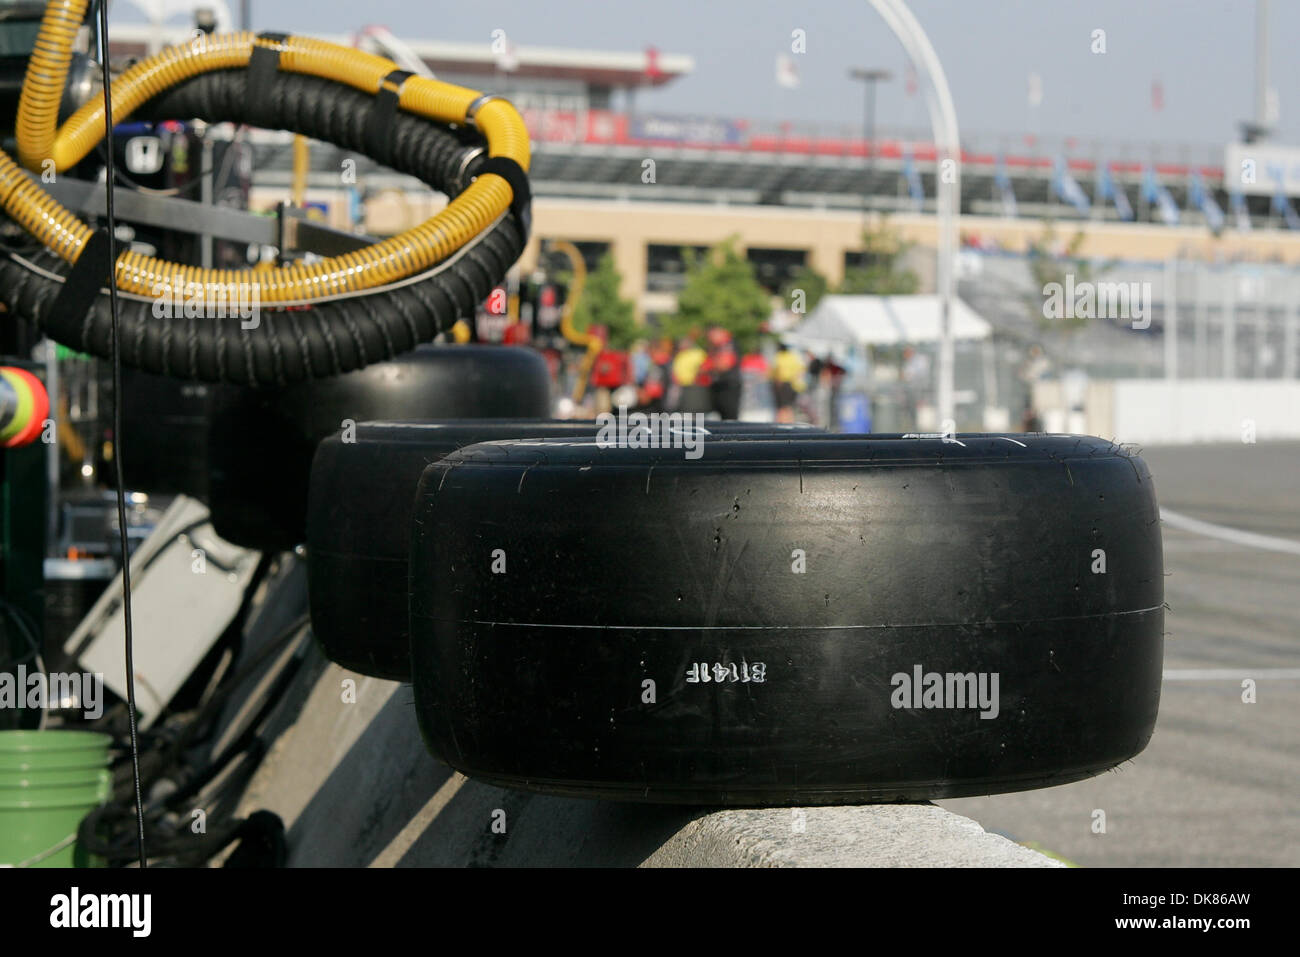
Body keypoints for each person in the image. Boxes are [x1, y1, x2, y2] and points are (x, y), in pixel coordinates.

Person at [770, 342, 806, 423]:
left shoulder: (779, 356)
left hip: (782, 384)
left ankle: (781, 424)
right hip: (792, 384)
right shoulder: (793, 357)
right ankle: (789, 423)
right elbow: (801, 370)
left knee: (781, 407)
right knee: (789, 406)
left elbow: (777, 370)